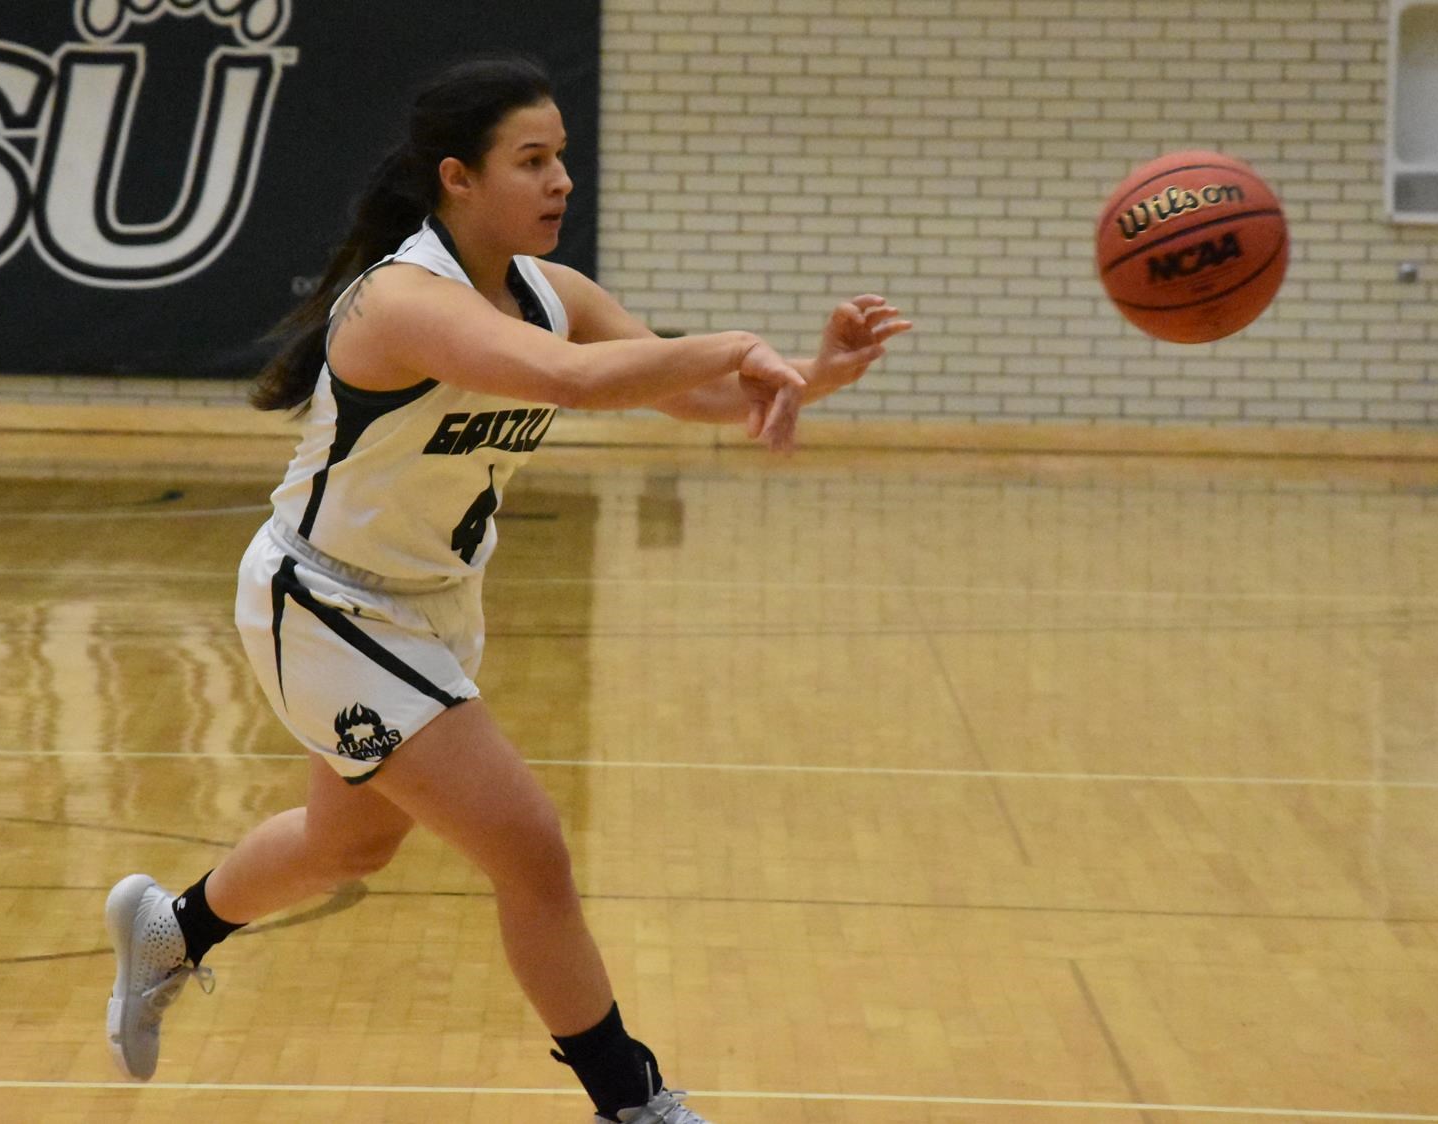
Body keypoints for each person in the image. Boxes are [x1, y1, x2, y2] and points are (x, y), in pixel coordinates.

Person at [103, 54, 911, 1124]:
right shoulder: (400, 298)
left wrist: (808, 373)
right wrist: (730, 342)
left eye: (563, 157)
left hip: (429, 604)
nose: (560, 179)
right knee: (530, 845)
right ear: (458, 178)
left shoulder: (550, 291)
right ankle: (635, 1101)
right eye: (532, 160)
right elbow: (573, 379)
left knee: (349, 842)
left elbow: (695, 394)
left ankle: (171, 927)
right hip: (327, 602)